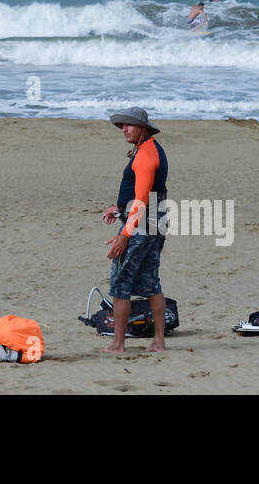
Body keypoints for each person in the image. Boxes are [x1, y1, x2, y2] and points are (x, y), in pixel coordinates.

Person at [101, 107, 169, 354]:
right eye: (122, 126)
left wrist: (124, 235)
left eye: (129, 125)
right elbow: (146, 197)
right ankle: (159, 341)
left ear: (144, 128)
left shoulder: (146, 155)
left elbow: (141, 201)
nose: (124, 129)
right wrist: (119, 209)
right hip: (154, 220)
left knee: (121, 282)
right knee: (151, 282)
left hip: (143, 224)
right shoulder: (148, 148)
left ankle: (118, 344)